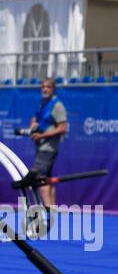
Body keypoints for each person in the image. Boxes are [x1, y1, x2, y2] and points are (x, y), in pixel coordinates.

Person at [27, 77, 68, 211]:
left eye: (48, 87)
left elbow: (63, 128)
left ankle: (48, 209)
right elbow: (35, 118)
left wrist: (42, 135)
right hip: (41, 147)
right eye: (43, 87)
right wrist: (33, 124)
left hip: (48, 148)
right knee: (47, 179)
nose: (45, 89)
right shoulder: (42, 104)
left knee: (40, 178)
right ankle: (52, 209)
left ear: (53, 89)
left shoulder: (57, 105)